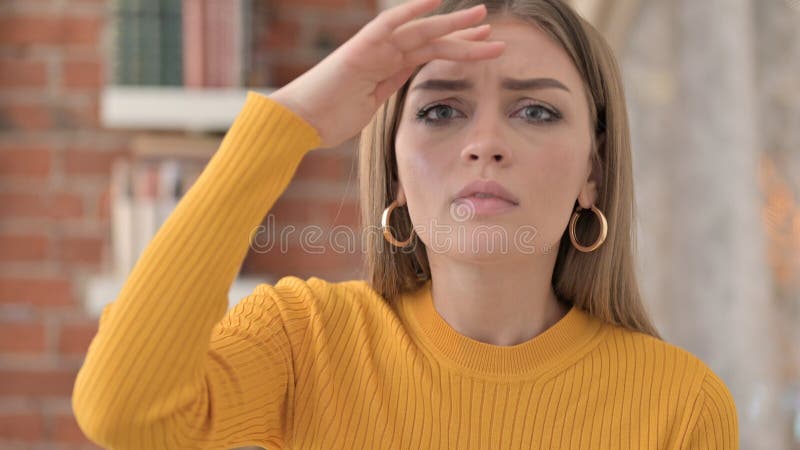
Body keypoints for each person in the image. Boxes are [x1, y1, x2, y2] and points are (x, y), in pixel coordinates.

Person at [72, 0, 739, 448]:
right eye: (440, 111)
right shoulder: (303, 340)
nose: (485, 143)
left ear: (594, 171)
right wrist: (288, 123)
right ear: (392, 173)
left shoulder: (680, 406)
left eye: (535, 111)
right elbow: (125, 412)